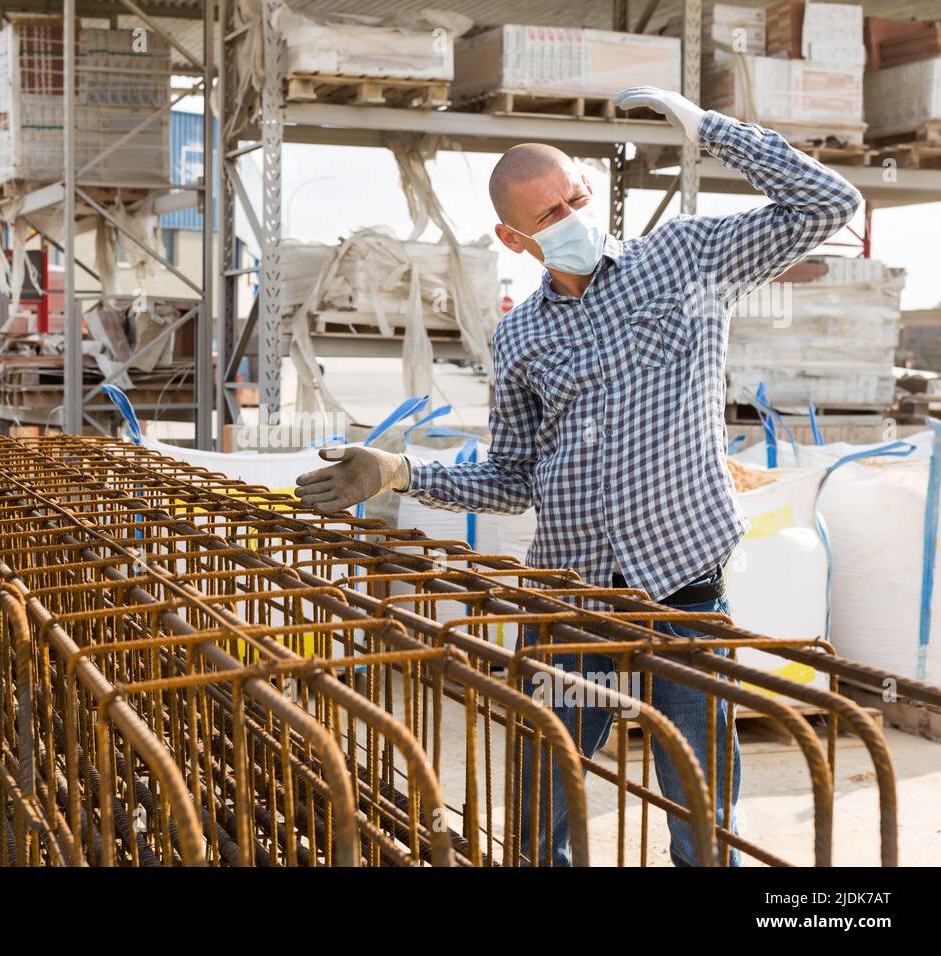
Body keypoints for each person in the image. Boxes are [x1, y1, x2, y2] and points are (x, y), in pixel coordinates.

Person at [293, 86, 862, 866]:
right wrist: (399, 471)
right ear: (513, 237)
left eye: (579, 198)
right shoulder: (519, 335)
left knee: (703, 817)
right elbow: (514, 475)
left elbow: (830, 202)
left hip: (685, 594)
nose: (575, 220)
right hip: (571, 607)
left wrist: (712, 131)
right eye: (550, 216)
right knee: (537, 811)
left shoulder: (684, 260)